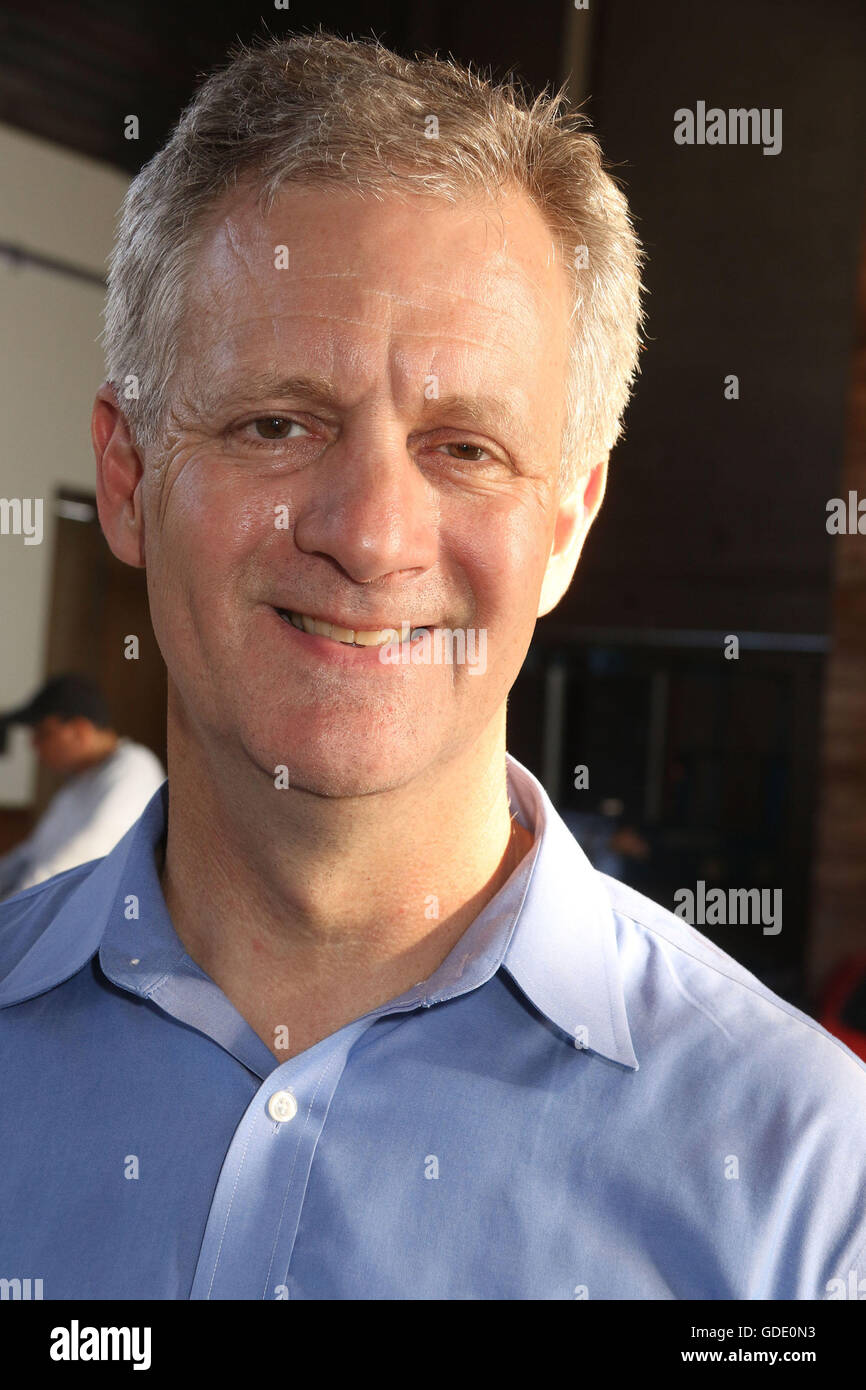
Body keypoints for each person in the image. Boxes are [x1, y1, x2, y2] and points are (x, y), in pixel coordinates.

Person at [0, 32, 864, 1301]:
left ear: (565, 524)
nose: (369, 534)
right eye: (278, 423)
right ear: (128, 479)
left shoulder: (807, 1180)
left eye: (462, 448)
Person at [0, 674, 165, 899]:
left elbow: (74, 866)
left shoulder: (135, 770)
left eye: (43, 734)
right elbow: (32, 854)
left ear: (80, 730)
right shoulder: (80, 781)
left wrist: (9, 915)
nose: (34, 745)